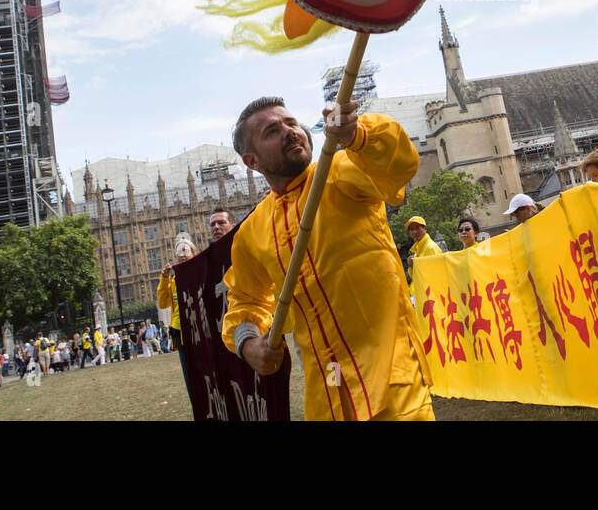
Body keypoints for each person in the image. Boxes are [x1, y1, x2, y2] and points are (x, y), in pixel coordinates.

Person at [223, 95, 433, 421]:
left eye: (291, 123)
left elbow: (398, 165)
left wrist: (357, 135)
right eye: (272, 131)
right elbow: (246, 302)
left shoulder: (340, 172)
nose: (290, 131)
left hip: (393, 381)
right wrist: (248, 344)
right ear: (252, 161)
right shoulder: (251, 233)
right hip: (328, 393)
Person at [158, 235, 196, 390]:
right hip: (180, 330)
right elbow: (163, 303)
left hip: (198, 327)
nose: (183, 256)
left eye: (186, 252)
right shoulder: (173, 281)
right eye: (179, 254)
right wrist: (164, 278)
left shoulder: (200, 273)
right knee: (189, 373)